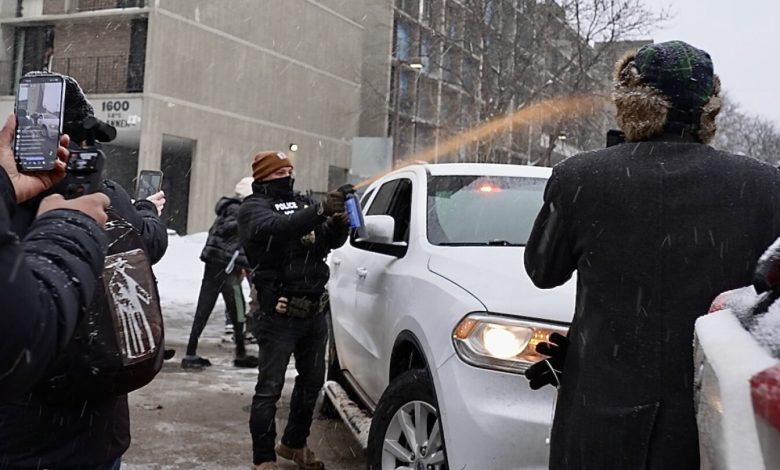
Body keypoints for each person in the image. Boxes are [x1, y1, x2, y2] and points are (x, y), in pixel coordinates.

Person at [523, 40, 780, 470]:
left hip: (600, 418)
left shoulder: (582, 177)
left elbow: (542, 270)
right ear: (708, 111)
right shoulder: (763, 187)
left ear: (630, 106)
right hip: (710, 426)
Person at [0, 75, 169, 470]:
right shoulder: (102, 193)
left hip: (22, 434)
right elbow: (151, 243)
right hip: (87, 428)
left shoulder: (10, 189)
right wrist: (144, 210)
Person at [238, 151, 351, 470]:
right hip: (277, 313)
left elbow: (323, 241)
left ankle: (294, 444)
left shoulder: (301, 204)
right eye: (278, 171)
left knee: (311, 383)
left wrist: (338, 222)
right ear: (262, 177)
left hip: (314, 311)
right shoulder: (252, 209)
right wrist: (320, 210)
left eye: (289, 169)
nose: (286, 174)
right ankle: (263, 459)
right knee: (269, 390)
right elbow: (280, 228)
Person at [0, 113, 110, 401]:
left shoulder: (15, 191)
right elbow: (18, 333)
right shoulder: (103, 192)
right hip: (71, 409)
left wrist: (4, 183)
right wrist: (69, 224)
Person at [182, 176, 258, 369]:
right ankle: (240, 354)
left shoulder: (230, 208)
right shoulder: (239, 210)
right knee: (236, 308)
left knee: (207, 307)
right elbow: (230, 233)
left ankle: (191, 352)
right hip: (225, 266)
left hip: (217, 263)